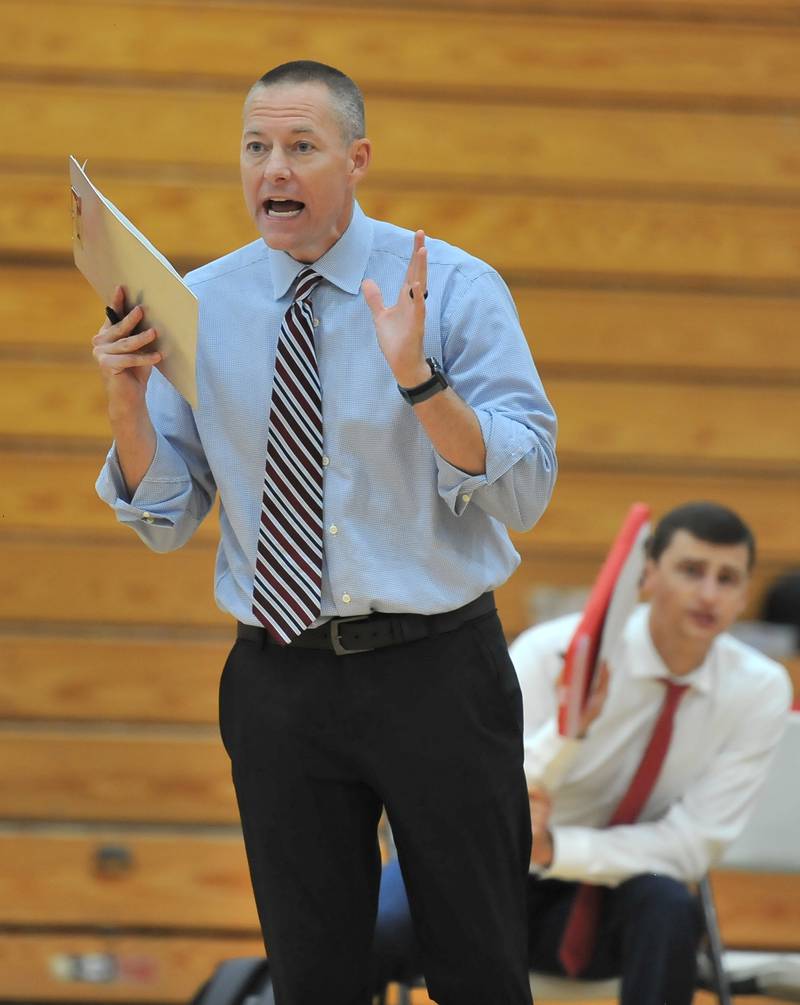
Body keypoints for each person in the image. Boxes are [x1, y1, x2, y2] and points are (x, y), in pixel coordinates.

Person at [91, 61, 556, 1005]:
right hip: (280, 678)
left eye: (302, 146)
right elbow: (168, 514)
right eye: (257, 147)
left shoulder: (453, 287)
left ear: (357, 159)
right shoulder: (205, 301)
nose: (275, 168)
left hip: (437, 671)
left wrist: (422, 383)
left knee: (480, 969)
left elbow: (527, 489)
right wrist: (128, 403)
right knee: (313, 979)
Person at [371, 501, 792, 1005]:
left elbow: (694, 845)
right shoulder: (552, 650)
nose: (708, 593)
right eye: (691, 570)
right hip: (495, 869)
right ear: (648, 575)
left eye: (727, 579)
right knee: (371, 927)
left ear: (745, 593)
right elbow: (487, 796)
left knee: (668, 907)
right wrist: (570, 734)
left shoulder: (760, 690)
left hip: (618, 894)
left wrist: (560, 851)